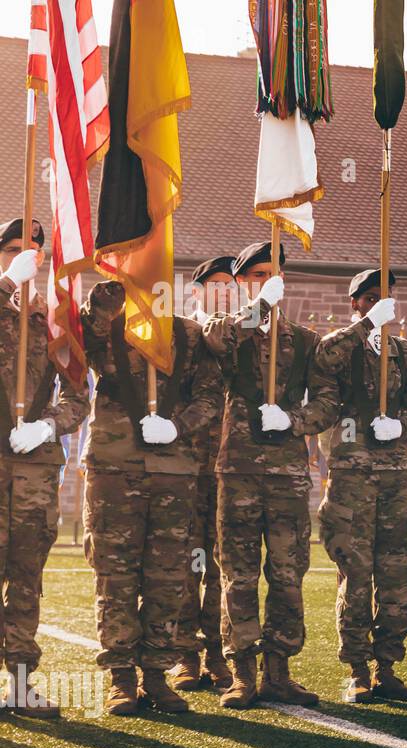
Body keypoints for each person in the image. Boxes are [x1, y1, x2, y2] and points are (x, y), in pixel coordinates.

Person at [201, 241, 337, 708]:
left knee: (287, 574)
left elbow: (327, 402)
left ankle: (279, 671)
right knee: (237, 576)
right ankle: (242, 673)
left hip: (285, 474)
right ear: (240, 283)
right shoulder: (225, 330)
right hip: (237, 469)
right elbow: (213, 341)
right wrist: (256, 309)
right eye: (255, 276)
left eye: (271, 275)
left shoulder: (303, 341)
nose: (265, 282)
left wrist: (295, 421)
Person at [79, 280, 223, 715]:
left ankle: (157, 674)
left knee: (167, 577)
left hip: (174, 469)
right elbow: (78, 339)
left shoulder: (190, 336)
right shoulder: (109, 327)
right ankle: (121, 677)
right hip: (113, 466)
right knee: (115, 575)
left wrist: (179, 425)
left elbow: (210, 394)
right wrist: (104, 299)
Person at [315, 269, 407, 703]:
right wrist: (363, 327)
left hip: (397, 475)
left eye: (387, 298)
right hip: (352, 477)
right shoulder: (337, 348)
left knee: (397, 573)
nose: (381, 304)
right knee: (355, 574)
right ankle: (358, 670)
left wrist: (399, 422)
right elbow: (324, 364)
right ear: (354, 303)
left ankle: (388, 667)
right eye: (370, 298)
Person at [0, 217, 89, 717]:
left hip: (32, 468)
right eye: (13, 248)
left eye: (33, 249)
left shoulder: (53, 320)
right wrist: (8, 280)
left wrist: (48, 427)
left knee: (26, 577)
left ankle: (19, 684)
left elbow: (79, 394)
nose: (25, 255)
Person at [174, 255, 237, 692]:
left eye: (230, 285)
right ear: (195, 292)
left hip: (230, 468)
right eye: (213, 284)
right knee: (181, 561)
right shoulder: (179, 335)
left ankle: (218, 652)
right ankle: (183, 654)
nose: (223, 291)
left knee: (222, 566)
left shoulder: (245, 339)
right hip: (183, 466)